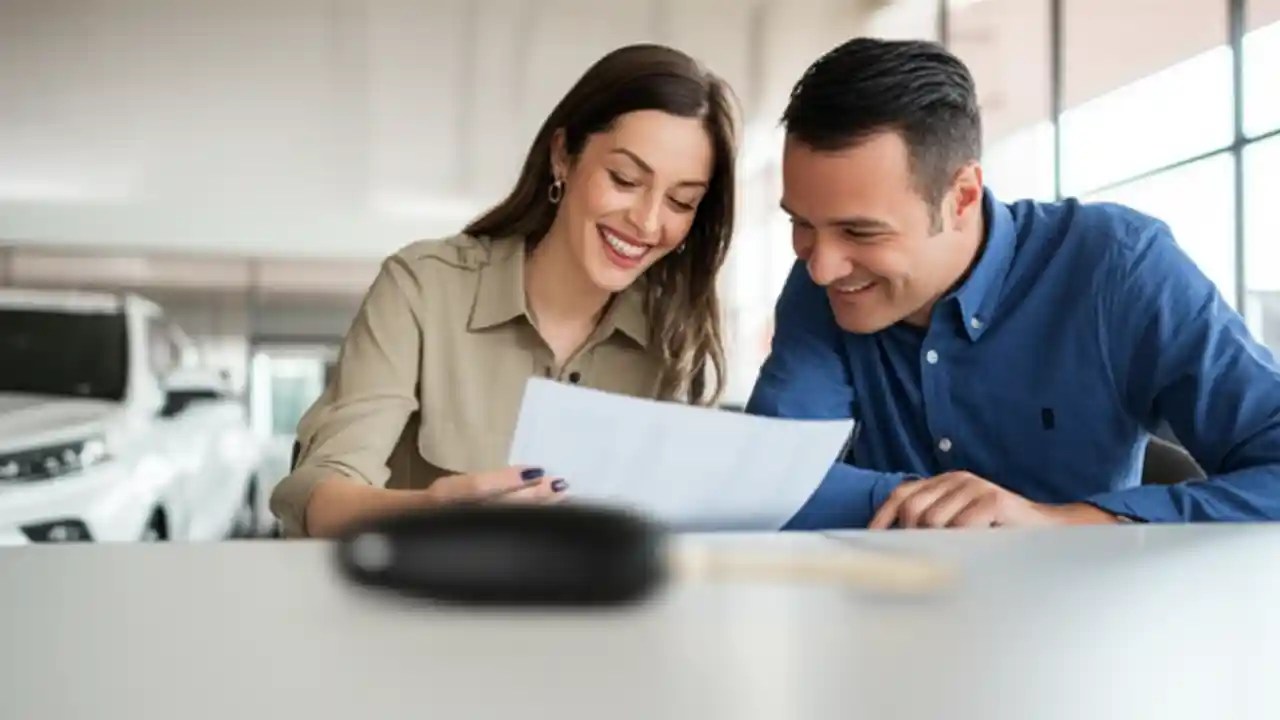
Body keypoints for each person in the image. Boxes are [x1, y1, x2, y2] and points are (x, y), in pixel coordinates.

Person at [748, 37, 1280, 529]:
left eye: (860, 231)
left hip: (1087, 619)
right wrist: (935, 506)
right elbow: (762, 480)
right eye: (801, 224)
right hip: (885, 620)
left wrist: (1065, 522)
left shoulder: (1119, 266)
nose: (821, 266)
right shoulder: (827, 281)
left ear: (961, 196)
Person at [270, 44, 739, 538]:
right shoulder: (423, 288)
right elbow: (317, 494)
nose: (647, 222)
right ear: (563, 156)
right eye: (625, 179)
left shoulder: (672, 343)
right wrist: (433, 509)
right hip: (420, 610)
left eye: (681, 201)